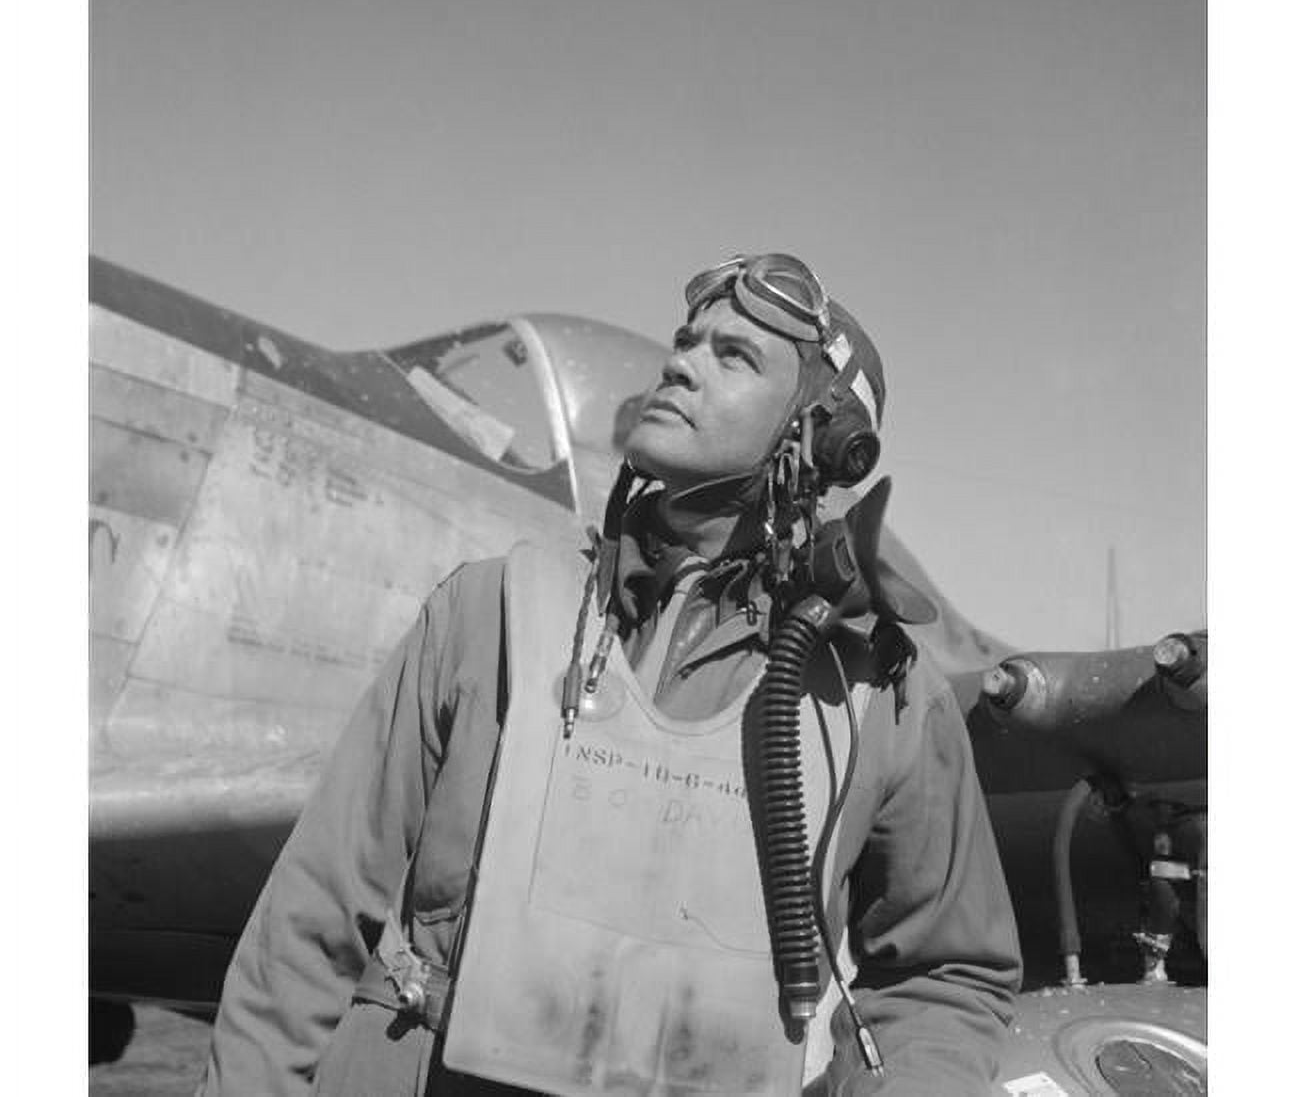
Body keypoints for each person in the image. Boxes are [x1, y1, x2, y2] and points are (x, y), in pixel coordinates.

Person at [199, 252, 1022, 1097]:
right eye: (686, 340)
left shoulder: (882, 694)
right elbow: (308, 927)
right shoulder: (488, 612)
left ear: (822, 439)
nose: (680, 361)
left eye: (733, 356)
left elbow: (947, 977)